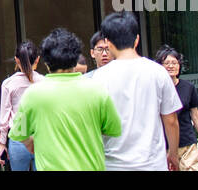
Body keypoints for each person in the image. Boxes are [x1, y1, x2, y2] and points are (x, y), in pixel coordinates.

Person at [8, 28, 122, 171]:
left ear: (46, 63)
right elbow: (114, 129)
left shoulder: (33, 95)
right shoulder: (97, 90)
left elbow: (19, 133)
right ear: (75, 60)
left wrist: (32, 144)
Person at [92, 11, 182, 171]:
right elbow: (171, 120)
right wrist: (173, 154)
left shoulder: (98, 78)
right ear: (137, 39)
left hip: (113, 164)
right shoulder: (157, 72)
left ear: (108, 43)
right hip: (153, 163)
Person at [154, 45, 198, 170]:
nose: (171, 66)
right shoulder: (155, 89)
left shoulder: (188, 87)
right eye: (167, 63)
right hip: (164, 146)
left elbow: (196, 116)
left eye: (174, 63)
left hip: (188, 145)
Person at [0, 40, 45, 171]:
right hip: (42, 137)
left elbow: (4, 118)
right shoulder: (45, 82)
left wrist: (2, 144)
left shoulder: (8, 84)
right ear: (37, 59)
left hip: (18, 138)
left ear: (16, 60)